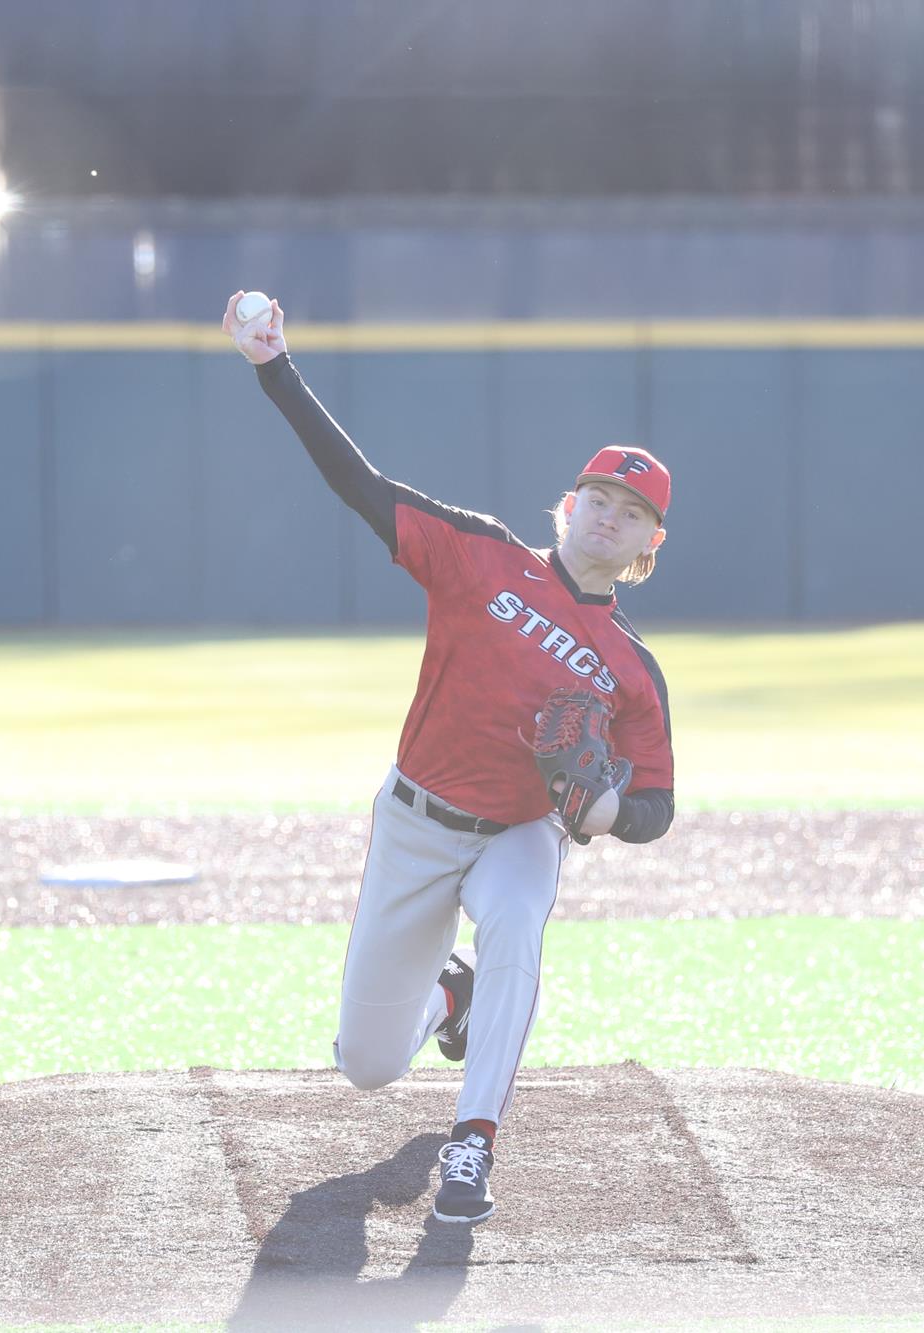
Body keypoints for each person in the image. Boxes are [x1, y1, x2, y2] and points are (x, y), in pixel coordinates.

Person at [224, 291, 676, 1224]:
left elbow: (657, 804)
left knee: (517, 920)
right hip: (417, 819)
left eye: (629, 512)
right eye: (597, 497)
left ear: (647, 545)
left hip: (519, 830)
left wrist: (601, 815)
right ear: (569, 503)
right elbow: (361, 484)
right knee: (367, 1064)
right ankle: (447, 994)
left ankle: (475, 1143)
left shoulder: (633, 667)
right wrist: (273, 367)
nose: (606, 516)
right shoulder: (479, 555)